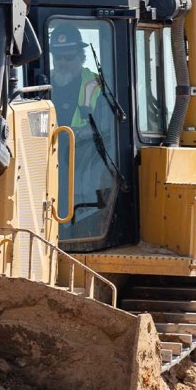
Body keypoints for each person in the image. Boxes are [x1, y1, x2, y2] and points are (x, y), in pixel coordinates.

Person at [48, 23, 114, 239]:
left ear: (82, 57)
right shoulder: (41, 83)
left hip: (86, 160)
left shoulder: (97, 85)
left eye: (69, 57)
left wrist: (75, 134)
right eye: (59, 58)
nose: (63, 63)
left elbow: (106, 127)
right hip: (49, 158)